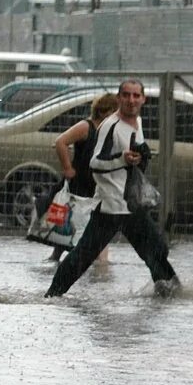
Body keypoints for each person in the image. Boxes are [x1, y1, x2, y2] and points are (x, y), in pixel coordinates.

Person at [47, 79, 181, 297]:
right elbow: (95, 163)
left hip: (129, 204)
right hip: (110, 207)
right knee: (83, 256)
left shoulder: (137, 122)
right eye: (126, 95)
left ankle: (170, 292)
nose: (131, 100)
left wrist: (139, 158)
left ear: (143, 99)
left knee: (156, 249)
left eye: (136, 96)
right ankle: (52, 295)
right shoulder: (110, 125)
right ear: (119, 98)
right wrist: (122, 159)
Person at [44, 92, 118, 263]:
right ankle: (59, 257)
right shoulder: (86, 127)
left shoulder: (112, 129)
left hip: (100, 184)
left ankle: (100, 262)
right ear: (102, 111)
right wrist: (67, 168)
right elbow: (61, 142)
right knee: (70, 220)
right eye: (112, 112)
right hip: (80, 183)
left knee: (98, 223)